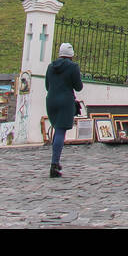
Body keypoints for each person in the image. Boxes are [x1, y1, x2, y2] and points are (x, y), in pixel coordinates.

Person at [44, 42, 83, 177]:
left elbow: (47, 85)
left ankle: (56, 160)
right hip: (65, 101)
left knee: (56, 129)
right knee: (61, 132)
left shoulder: (50, 67)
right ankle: (54, 165)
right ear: (71, 56)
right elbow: (78, 86)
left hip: (51, 101)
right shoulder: (73, 67)